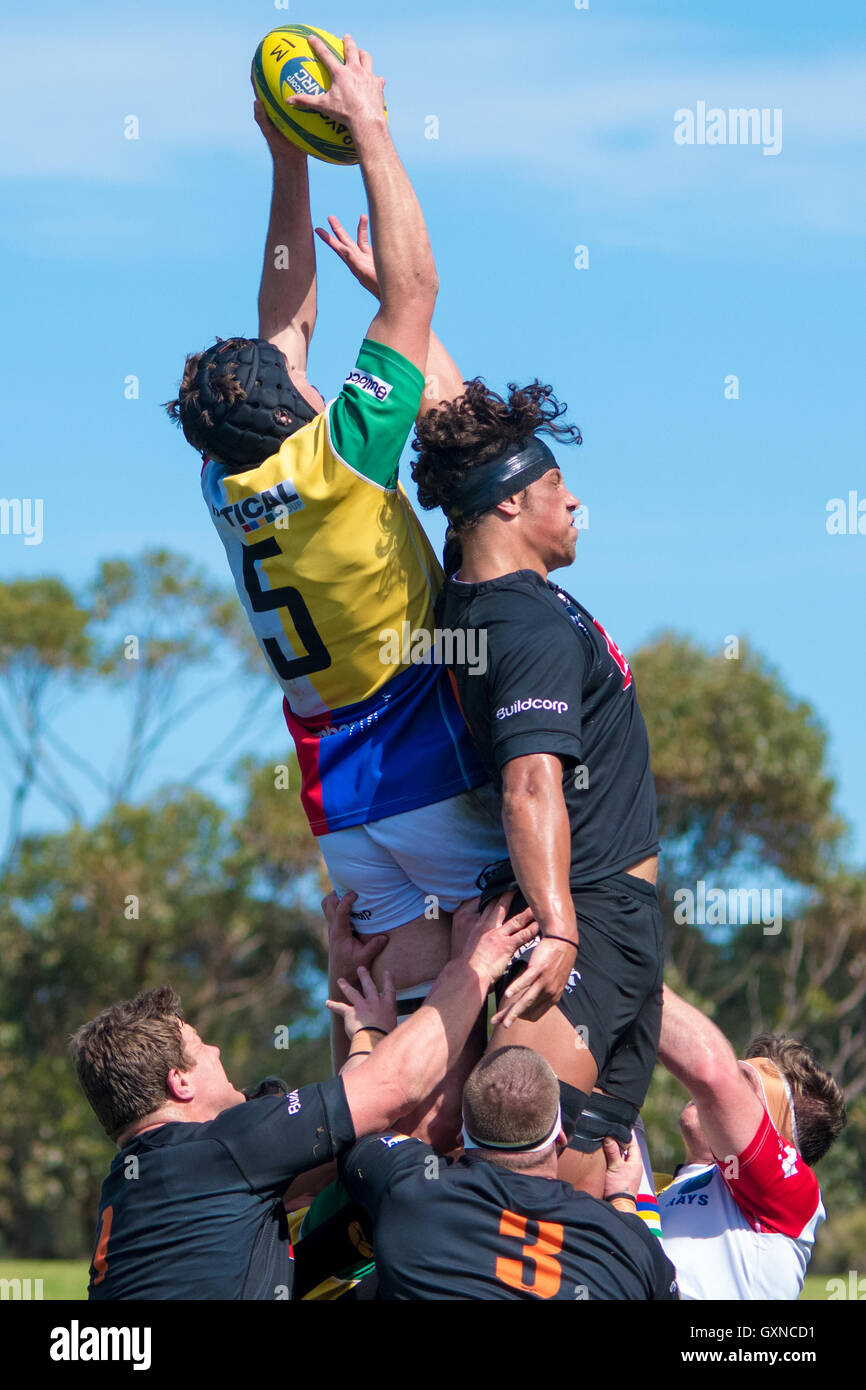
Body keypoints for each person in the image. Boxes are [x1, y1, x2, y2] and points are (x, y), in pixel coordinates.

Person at [164, 35, 507, 1029]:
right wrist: (370, 134)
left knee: (390, 1035)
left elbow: (279, 329)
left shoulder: (226, 472)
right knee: (510, 1006)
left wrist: (285, 161)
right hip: (423, 754)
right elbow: (412, 295)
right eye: (304, 383)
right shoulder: (338, 452)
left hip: (343, 800)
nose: (310, 375)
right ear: (293, 410)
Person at [411, 391, 662, 1191]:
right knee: (521, 1188)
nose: (577, 500)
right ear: (512, 500)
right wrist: (558, 927)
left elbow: (465, 421)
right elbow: (528, 784)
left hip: (622, 926)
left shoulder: (482, 593)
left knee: (591, 1192)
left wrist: (407, 310)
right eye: (561, 485)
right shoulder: (526, 629)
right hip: (582, 916)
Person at [71, 896, 535, 1300]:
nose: (215, 1050)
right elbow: (396, 1088)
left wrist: (347, 986)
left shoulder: (132, 1185)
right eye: (200, 1046)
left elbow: (349, 1123)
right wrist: (477, 964)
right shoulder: (221, 1147)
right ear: (180, 1083)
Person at [339, 1045, 678, 1300]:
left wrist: (366, 1038)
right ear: (561, 1135)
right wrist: (622, 1200)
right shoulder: (629, 1243)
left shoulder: (408, 1187)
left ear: (461, 1135)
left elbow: (352, 1115)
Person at [656, 984, 847, 1300]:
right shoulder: (647, 1184)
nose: (718, 1097)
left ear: (779, 1144)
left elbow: (710, 1074)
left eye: (744, 1087)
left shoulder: (793, 1196)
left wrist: (625, 961)